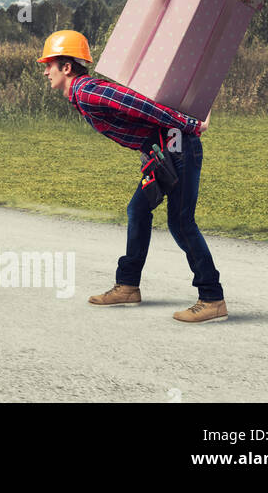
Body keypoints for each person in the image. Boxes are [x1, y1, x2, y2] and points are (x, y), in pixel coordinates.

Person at [38, 30, 227, 324]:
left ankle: (212, 298)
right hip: (164, 151)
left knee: (181, 221)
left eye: (49, 64)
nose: (45, 70)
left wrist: (190, 124)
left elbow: (139, 104)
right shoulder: (80, 94)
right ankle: (127, 286)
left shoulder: (88, 90)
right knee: (137, 210)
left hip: (178, 146)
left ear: (66, 67)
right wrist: (148, 152)